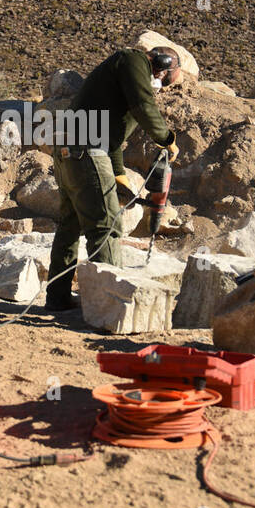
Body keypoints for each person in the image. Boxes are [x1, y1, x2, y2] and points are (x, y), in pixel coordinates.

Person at [44, 45, 182, 313]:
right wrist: (167, 139)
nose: (160, 88)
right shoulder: (133, 60)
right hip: (86, 151)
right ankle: (109, 307)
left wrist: (117, 173)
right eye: (165, 81)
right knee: (106, 227)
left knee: (70, 226)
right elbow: (143, 106)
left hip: (69, 151)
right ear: (162, 64)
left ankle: (57, 298)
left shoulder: (122, 75)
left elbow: (114, 134)